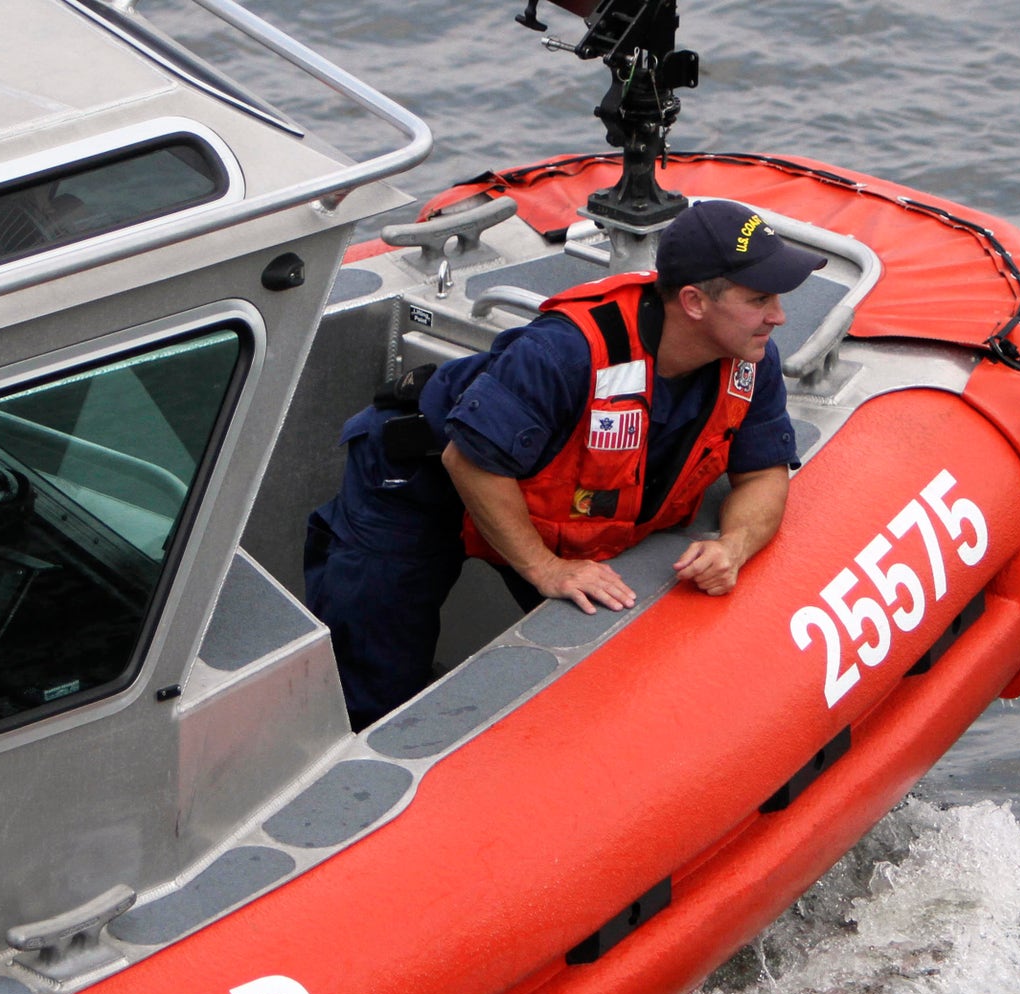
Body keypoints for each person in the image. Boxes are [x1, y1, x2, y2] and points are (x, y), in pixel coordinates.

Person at [305, 199, 825, 730]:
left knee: (602, 679)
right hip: (420, 482)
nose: (778, 316)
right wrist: (543, 568)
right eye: (759, 298)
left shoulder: (750, 361)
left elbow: (763, 473)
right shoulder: (565, 352)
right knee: (374, 676)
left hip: (545, 503)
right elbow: (468, 459)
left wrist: (732, 546)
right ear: (693, 301)